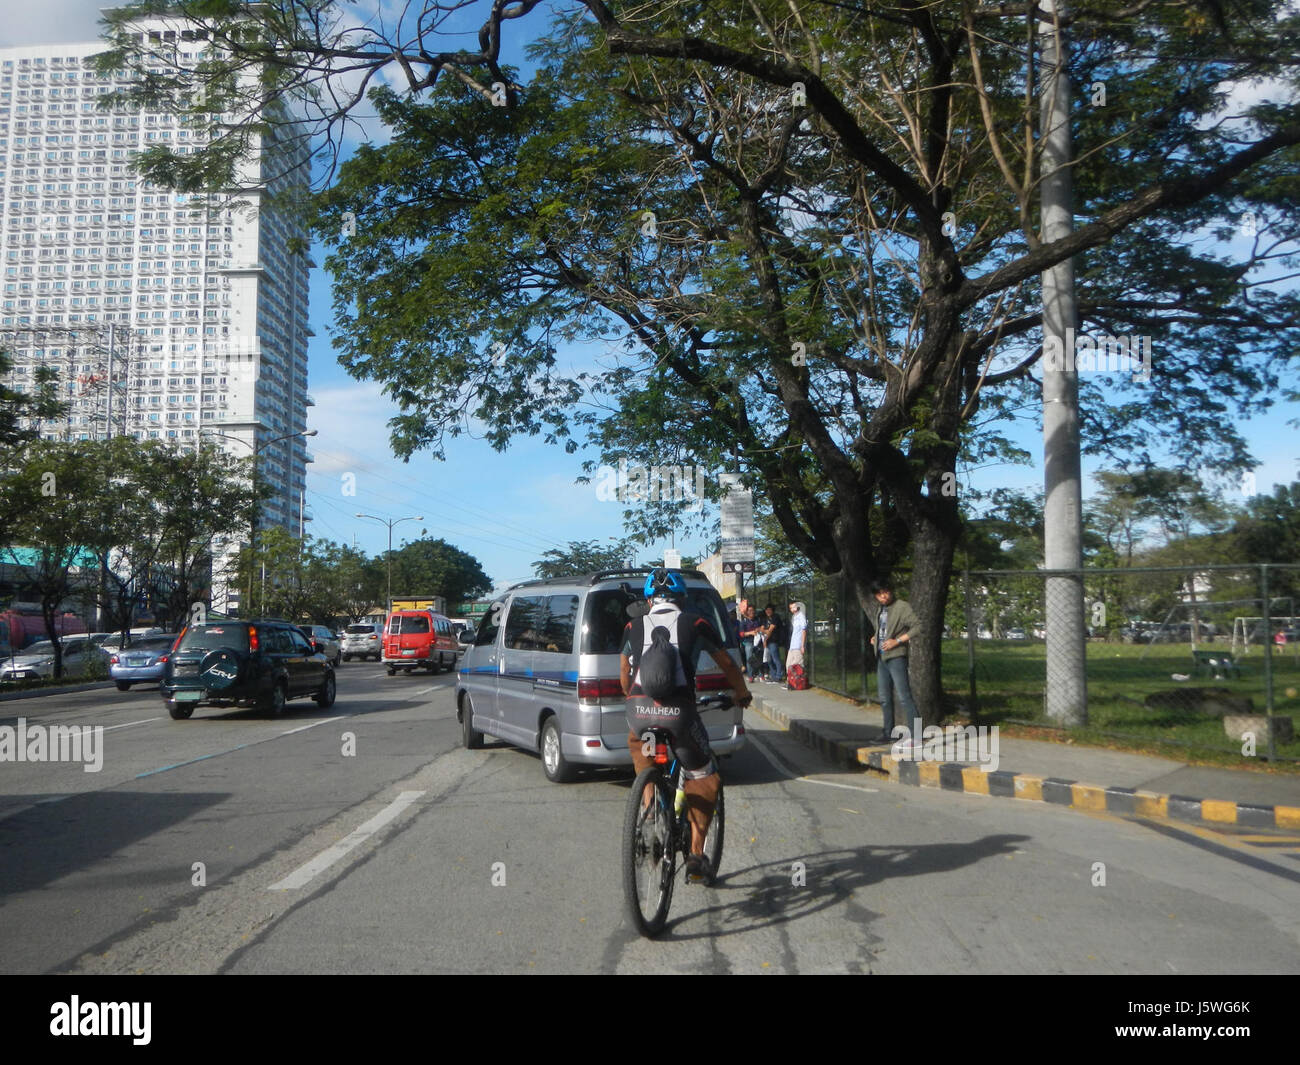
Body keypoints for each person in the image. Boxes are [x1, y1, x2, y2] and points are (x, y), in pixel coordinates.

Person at [622, 568, 752, 884]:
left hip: (639, 712)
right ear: (681, 598)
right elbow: (726, 663)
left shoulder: (633, 625)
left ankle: (650, 803)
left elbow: (624, 672)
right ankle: (696, 854)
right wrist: (741, 692)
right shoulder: (695, 622)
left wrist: (635, 701)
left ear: (649, 600)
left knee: (644, 751)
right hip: (678, 714)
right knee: (702, 774)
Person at [869, 578, 920, 749]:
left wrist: (897, 641)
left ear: (891, 591)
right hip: (882, 656)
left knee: (904, 696)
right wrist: (876, 638)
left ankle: (916, 737)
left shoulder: (902, 606)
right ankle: (888, 733)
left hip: (896, 656)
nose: (883, 596)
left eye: (885, 592)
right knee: (884, 698)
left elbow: (917, 627)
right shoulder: (881, 609)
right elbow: (884, 629)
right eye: (879, 594)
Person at [785, 600, 807, 687]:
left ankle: (799, 683)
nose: (792, 609)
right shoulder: (794, 617)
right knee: (789, 665)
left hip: (798, 645)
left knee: (797, 664)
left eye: (794, 607)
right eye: (791, 608)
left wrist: (802, 645)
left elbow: (804, 630)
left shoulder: (801, 616)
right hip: (792, 645)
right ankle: (791, 682)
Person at [761, 603, 785, 682]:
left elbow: (770, 630)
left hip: (773, 641)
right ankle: (773, 675)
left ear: (772, 611)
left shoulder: (775, 617)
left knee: (775, 658)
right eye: (766, 610)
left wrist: (765, 633)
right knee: (769, 659)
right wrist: (765, 631)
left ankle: (779, 675)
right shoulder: (765, 619)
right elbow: (762, 629)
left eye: (769, 610)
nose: (768, 611)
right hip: (767, 641)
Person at [738, 603, 761, 680]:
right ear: (747, 611)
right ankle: (750, 675)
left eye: (753, 610)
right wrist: (750, 633)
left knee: (758, 658)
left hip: (757, 642)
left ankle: (759, 673)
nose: (752, 612)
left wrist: (758, 629)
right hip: (748, 642)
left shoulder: (757, 620)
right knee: (749, 658)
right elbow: (741, 634)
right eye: (750, 610)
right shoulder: (743, 622)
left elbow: (761, 628)